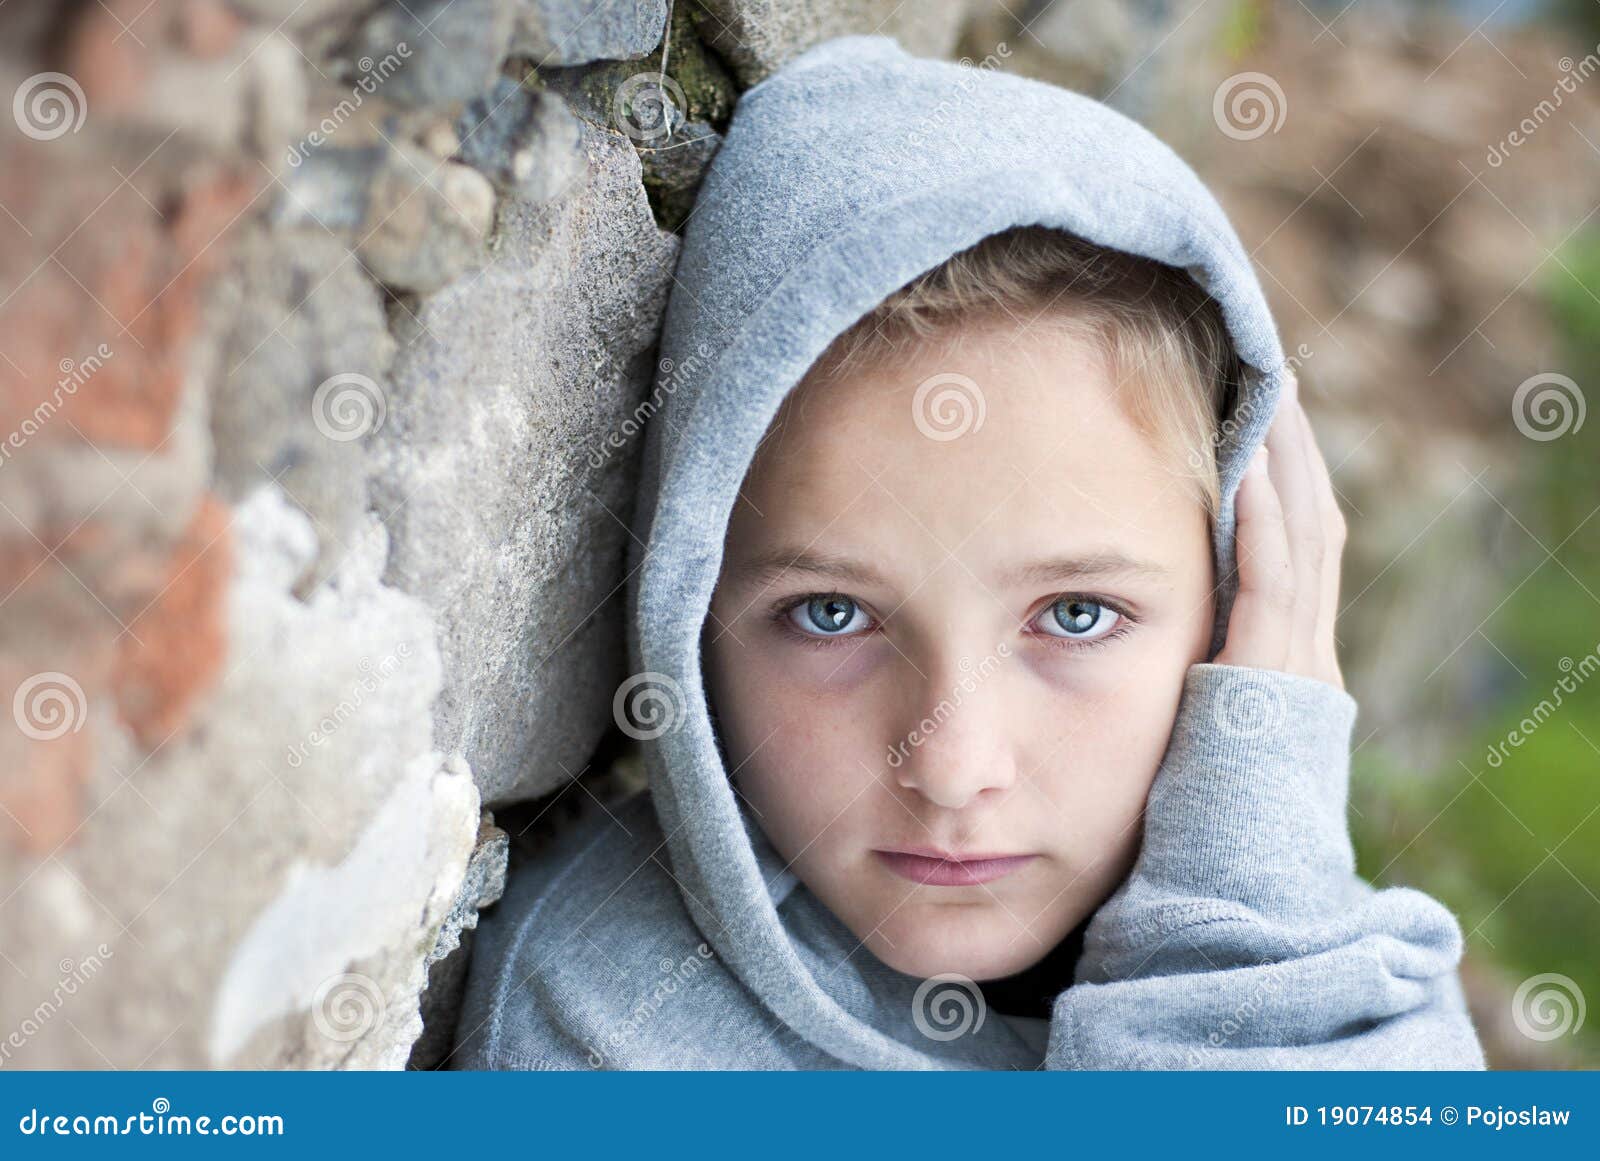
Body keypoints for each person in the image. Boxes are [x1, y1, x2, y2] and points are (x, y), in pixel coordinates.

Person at [450, 34, 1486, 1069]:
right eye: (830, 613)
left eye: (1075, 615)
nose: (949, 770)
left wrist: (1248, 908)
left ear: (1235, 598)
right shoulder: (611, 1026)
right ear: (686, 614)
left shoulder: (1339, 983)